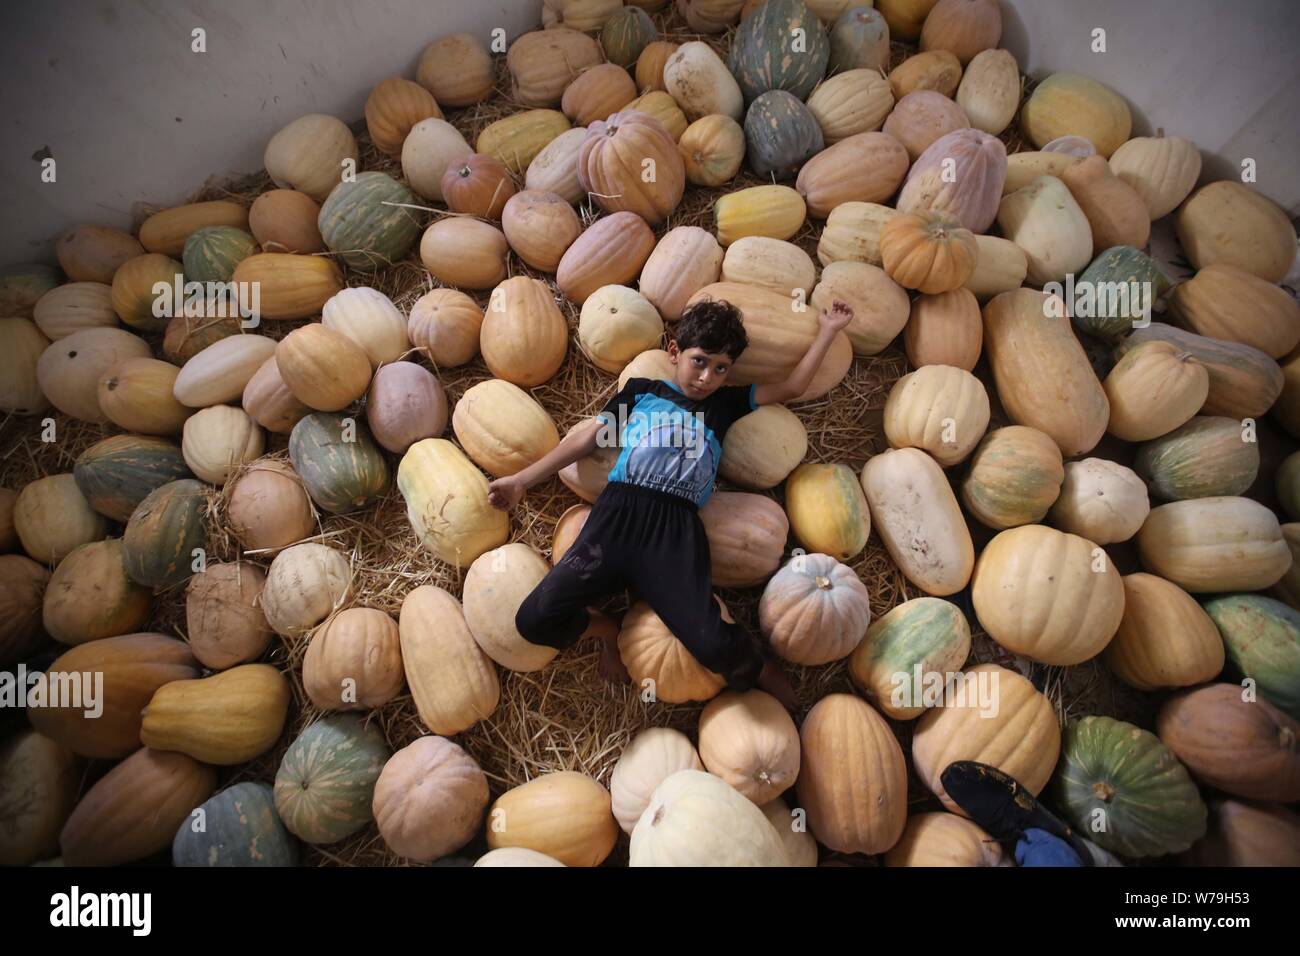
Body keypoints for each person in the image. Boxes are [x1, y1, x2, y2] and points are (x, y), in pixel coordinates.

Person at [486, 296, 855, 709]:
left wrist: (828, 330)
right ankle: (608, 629)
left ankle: (763, 669)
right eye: (699, 361)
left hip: (674, 533)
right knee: (534, 619)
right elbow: (587, 440)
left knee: (711, 644)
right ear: (675, 352)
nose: (707, 377)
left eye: (721, 368)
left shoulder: (725, 404)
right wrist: (521, 480)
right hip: (616, 519)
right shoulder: (642, 393)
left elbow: (792, 386)